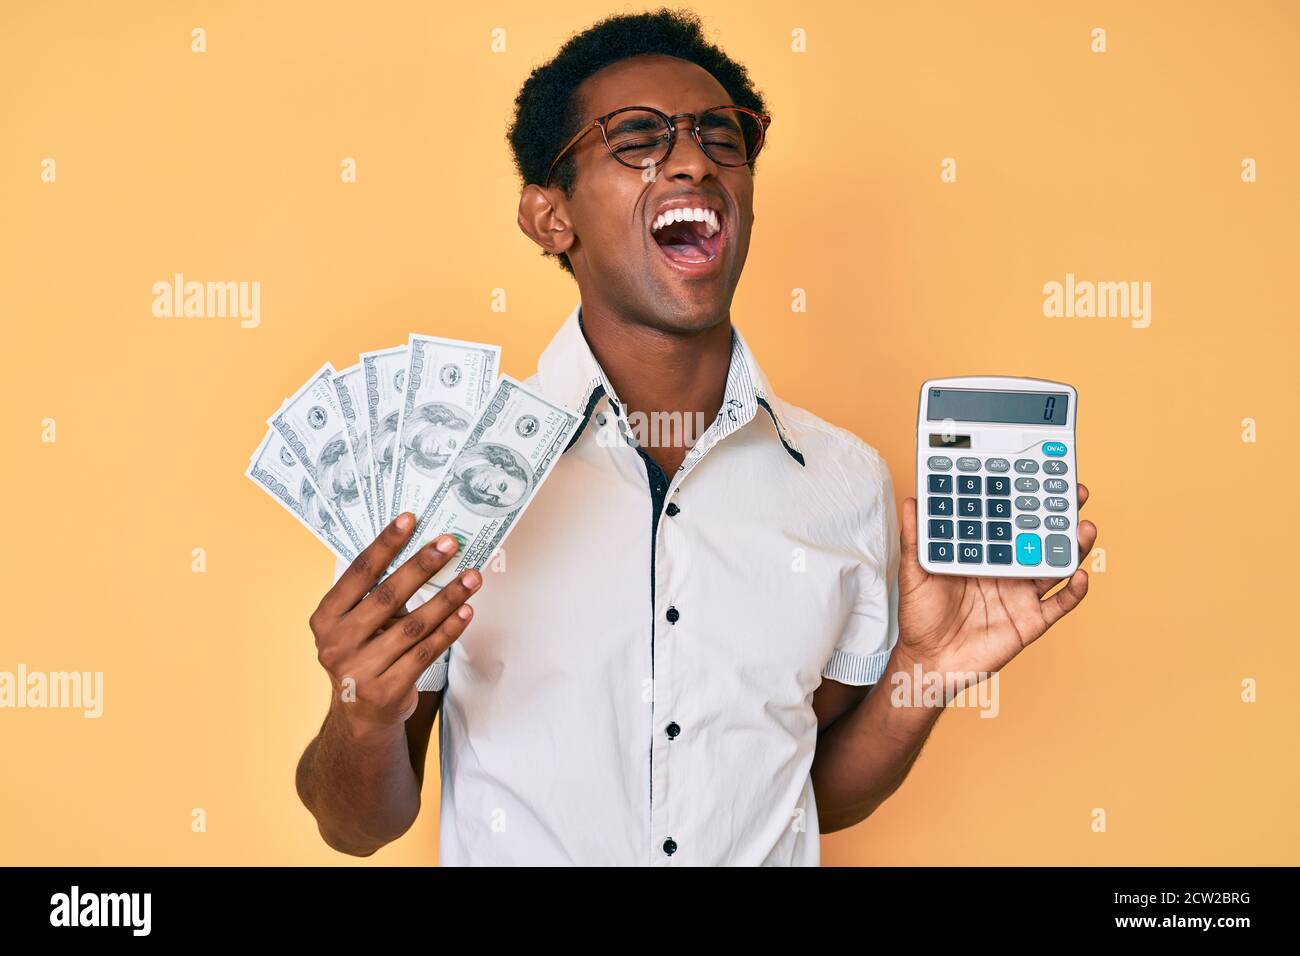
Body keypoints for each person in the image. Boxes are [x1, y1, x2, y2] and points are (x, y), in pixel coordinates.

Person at [294, 9, 1097, 865]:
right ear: (548, 218)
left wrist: (928, 672)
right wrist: (361, 710)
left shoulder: (843, 482)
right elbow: (355, 826)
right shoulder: (448, 477)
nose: (692, 160)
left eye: (723, 138)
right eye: (636, 137)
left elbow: (802, 790)